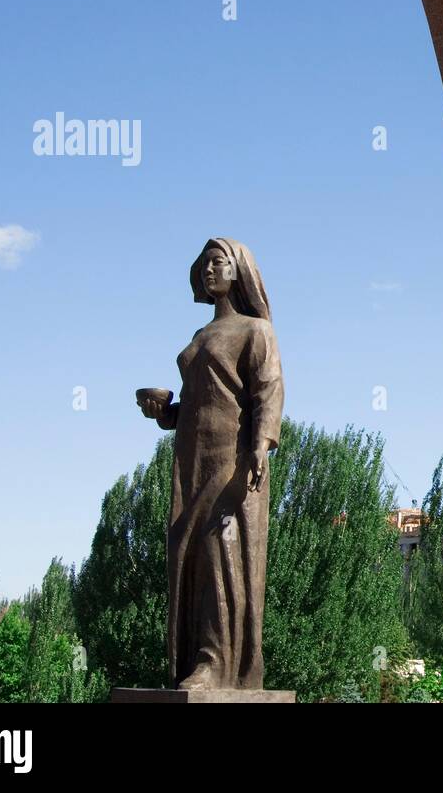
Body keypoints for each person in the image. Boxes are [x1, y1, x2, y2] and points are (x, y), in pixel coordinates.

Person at [136, 238, 283, 690]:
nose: (209, 270)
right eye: (204, 264)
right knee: (191, 555)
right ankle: (189, 661)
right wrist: (167, 413)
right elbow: (200, 402)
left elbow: (268, 391)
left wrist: (261, 444)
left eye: (218, 262)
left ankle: (215, 661)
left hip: (233, 461)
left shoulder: (256, 331)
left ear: (239, 270)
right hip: (190, 462)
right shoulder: (200, 337)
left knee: (224, 553)